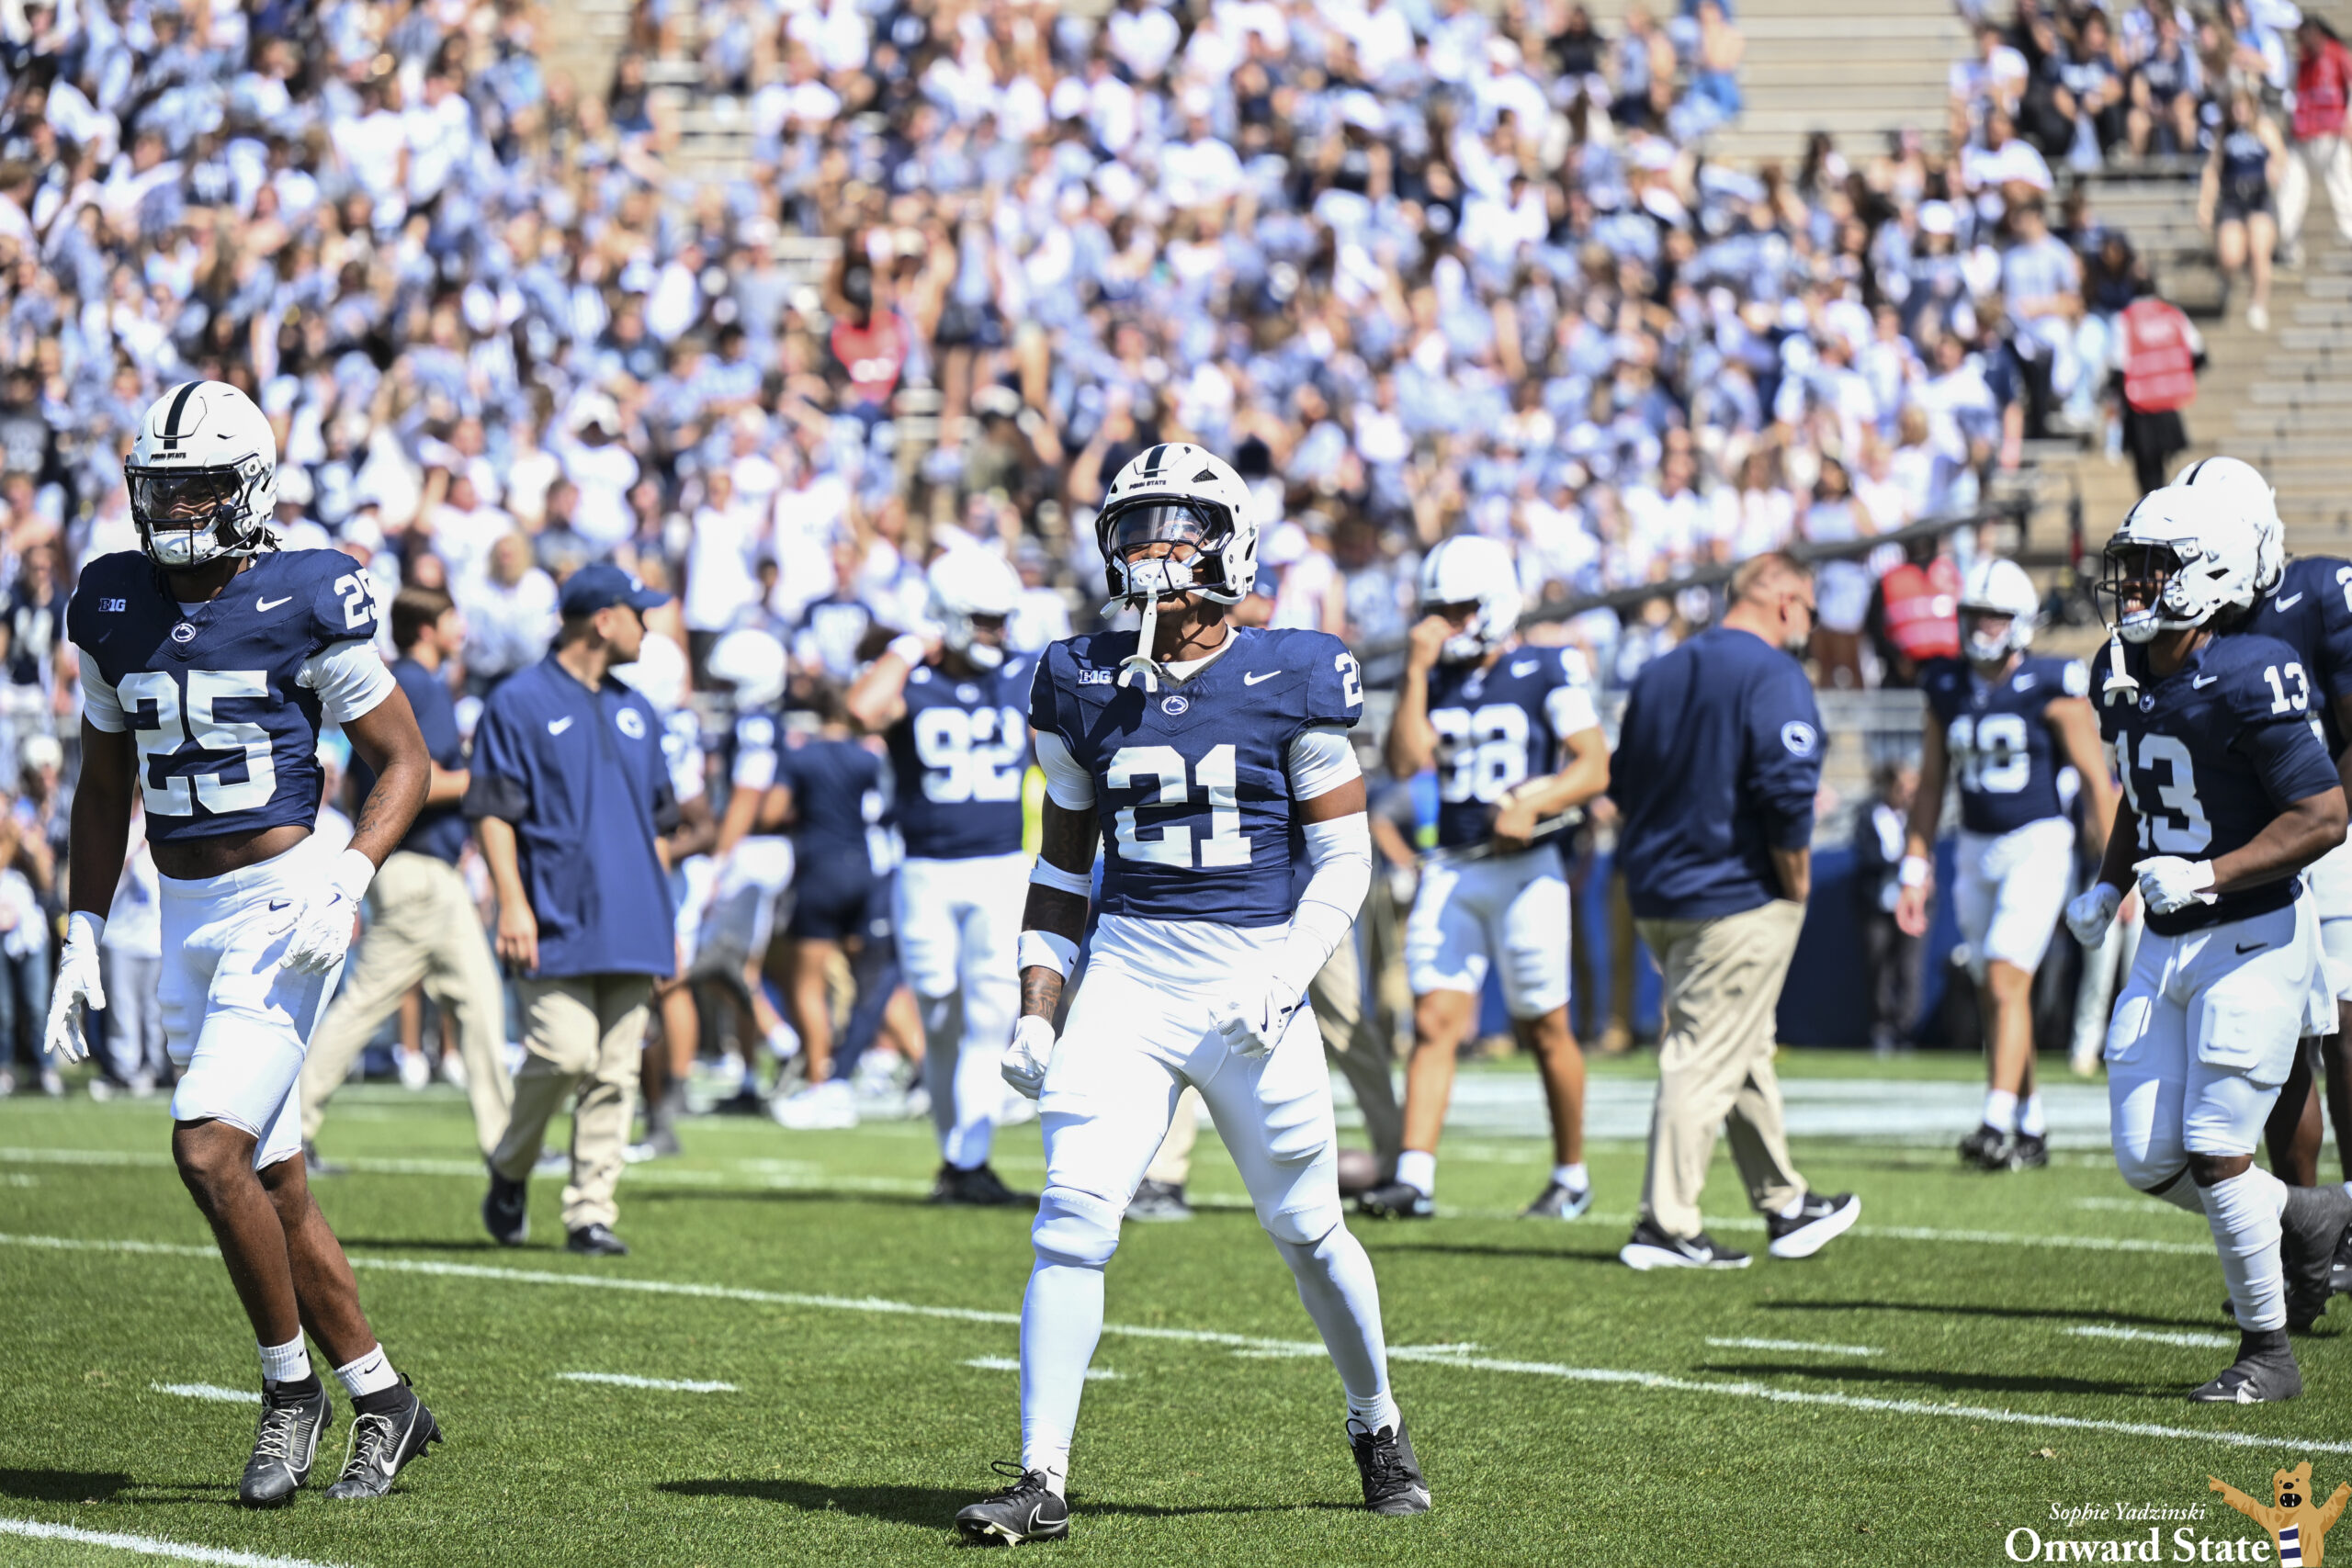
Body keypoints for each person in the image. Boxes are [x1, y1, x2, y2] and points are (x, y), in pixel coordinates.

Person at [955, 443, 1423, 1543]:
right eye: (1135, 527)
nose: (1151, 549)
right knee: (1071, 1218)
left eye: (1177, 526)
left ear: (1231, 542)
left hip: (1254, 971)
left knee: (1309, 1232)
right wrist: (1036, 1001)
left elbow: (1345, 858)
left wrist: (1285, 969)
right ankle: (1041, 1475)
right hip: (1130, 970)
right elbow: (1064, 866)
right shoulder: (1074, 677)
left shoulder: (1296, 671)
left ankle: (1375, 1421)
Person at [45, 380, 443, 1504]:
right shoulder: (113, 599)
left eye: (198, 486)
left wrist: (350, 872)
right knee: (273, 1180)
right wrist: (80, 928)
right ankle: (384, 1399)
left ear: (251, 488)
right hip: (179, 915)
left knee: (205, 1150)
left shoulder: (309, 589)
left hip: (284, 905)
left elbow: (401, 762)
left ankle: (287, 1394)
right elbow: (103, 778)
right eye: (157, 485)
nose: (173, 507)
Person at [2066, 486, 2352, 1401]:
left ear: (2211, 572)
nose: (2135, 584)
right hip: (2165, 939)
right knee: (2147, 1155)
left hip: (2251, 934)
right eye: (2133, 565)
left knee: (2217, 1145)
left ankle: (2267, 1354)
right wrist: (2111, 881)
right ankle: (2309, 1215)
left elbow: (2321, 814)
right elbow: (2143, 793)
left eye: (2154, 565)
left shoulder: (2251, 669)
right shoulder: (2120, 666)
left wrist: (2209, 872)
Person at [1608, 554, 1862, 1269]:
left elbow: (1621, 780)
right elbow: (1787, 789)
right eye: (1809, 610)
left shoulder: (1660, 671)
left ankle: (1784, 1201)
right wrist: (1797, 879)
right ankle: (1665, 1223)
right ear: (1784, 601)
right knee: (1702, 1052)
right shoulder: (1773, 673)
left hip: (1658, 893)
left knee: (1738, 1041)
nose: (1810, 626)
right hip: (1733, 893)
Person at [1357, 534, 1608, 1222]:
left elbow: (1592, 764)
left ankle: (1571, 1174)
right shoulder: (1433, 674)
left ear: (1496, 603)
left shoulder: (1548, 666)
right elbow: (1406, 761)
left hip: (1527, 869)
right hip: (1454, 866)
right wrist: (1413, 670)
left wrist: (1536, 800)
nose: (1445, 623)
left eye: (1460, 608)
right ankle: (1414, 1176)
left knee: (1546, 1026)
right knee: (1436, 1019)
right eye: (1437, 609)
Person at [470, 564, 680, 1258]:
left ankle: (590, 1210)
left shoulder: (639, 708)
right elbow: (495, 814)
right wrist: (512, 901)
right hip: (553, 912)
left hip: (636, 919)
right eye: (638, 612)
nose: (648, 625)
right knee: (563, 1051)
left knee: (617, 1072)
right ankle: (510, 1164)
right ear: (603, 619)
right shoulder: (518, 700)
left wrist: (666, 919)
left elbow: (659, 826)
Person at [2179, 457, 2352, 1295]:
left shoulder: (2319, 593)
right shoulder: (2195, 625)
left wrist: (2322, 829)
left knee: (2345, 1029)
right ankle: (2306, 1233)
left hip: (2327, 832)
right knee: (2281, 1053)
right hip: (2253, 847)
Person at [1898, 558, 2114, 1170]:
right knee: (1995, 990)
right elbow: (1931, 784)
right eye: (1972, 614)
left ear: (2019, 624)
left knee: (2002, 977)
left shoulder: (2051, 682)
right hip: (1971, 845)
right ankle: (2031, 1122)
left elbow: (2098, 783)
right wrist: (1916, 864)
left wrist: (2116, 868)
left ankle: (1995, 1121)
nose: (1979, 627)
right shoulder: (1945, 685)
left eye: (1992, 616)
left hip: (2037, 840)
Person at [844, 547, 1035, 1205]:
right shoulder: (912, 680)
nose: (998, 634)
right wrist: (907, 646)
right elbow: (861, 709)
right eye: (984, 621)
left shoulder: (1020, 676)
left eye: (1001, 620)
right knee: (940, 1011)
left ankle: (968, 1156)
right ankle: (958, 1157)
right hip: (924, 868)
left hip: (1001, 864)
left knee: (989, 1009)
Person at [299, 587, 511, 1166]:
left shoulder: (401, 683)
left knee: (479, 1002)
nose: (461, 627)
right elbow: (418, 777)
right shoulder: (422, 683)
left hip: (415, 872)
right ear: (426, 629)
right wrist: (491, 789)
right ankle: (290, 1128)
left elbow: (360, 784)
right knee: (372, 1005)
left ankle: (507, 1145)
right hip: (420, 873)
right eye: (451, 617)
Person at [763, 680, 891, 1131]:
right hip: (866, 869)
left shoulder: (802, 756)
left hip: (820, 870)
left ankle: (822, 1082)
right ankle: (892, 1062)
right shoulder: (868, 757)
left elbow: (771, 812)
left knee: (807, 983)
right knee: (870, 979)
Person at [2200, 93, 2286, 333]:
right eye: (2234, 107)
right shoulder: (2224, 133)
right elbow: (2213, 169)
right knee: (2231, 256)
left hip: (2259, 196)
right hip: (2232, 197)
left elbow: (2280, 157)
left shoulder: (2264, 128)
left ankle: (2258, 303)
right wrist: (2205, 205)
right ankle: (2226, 278)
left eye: (2243, 107)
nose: (2239, 112)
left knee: (2260, 251)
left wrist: (2275, 168)